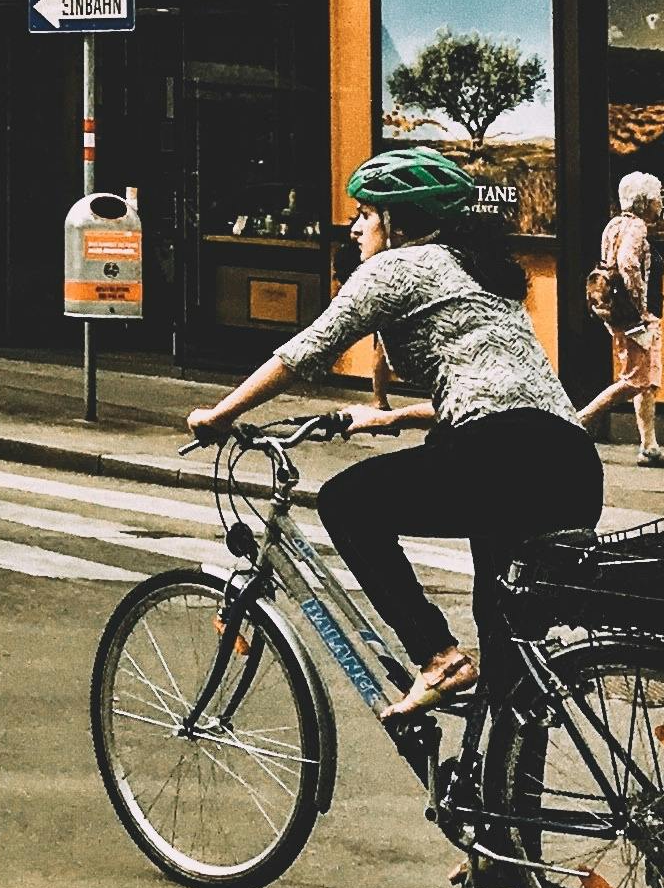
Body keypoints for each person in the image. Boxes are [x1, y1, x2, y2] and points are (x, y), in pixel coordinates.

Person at [186, 143, 601, 725]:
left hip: (499, 456)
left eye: (365, 214)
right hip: (569, 462)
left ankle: (436, 656)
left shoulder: (395, 267)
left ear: (399, 221)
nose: (355, 228)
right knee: (514, 660)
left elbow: (307, 350)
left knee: (347, 502)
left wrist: (219, 414)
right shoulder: (480, 270)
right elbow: (505, 395)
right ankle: (507, 810)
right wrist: (397, 417)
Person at [587, 170, 664, 467]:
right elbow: (627, 263)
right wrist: (641, 306)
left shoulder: (614, 225)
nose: (661, 202)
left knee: (646, 380)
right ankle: (579, 420)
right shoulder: (636, 227)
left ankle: (649, 446)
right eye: (658, 197)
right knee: (635, 380)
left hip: (619, 314)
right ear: (646, 201)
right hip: (637, 316)